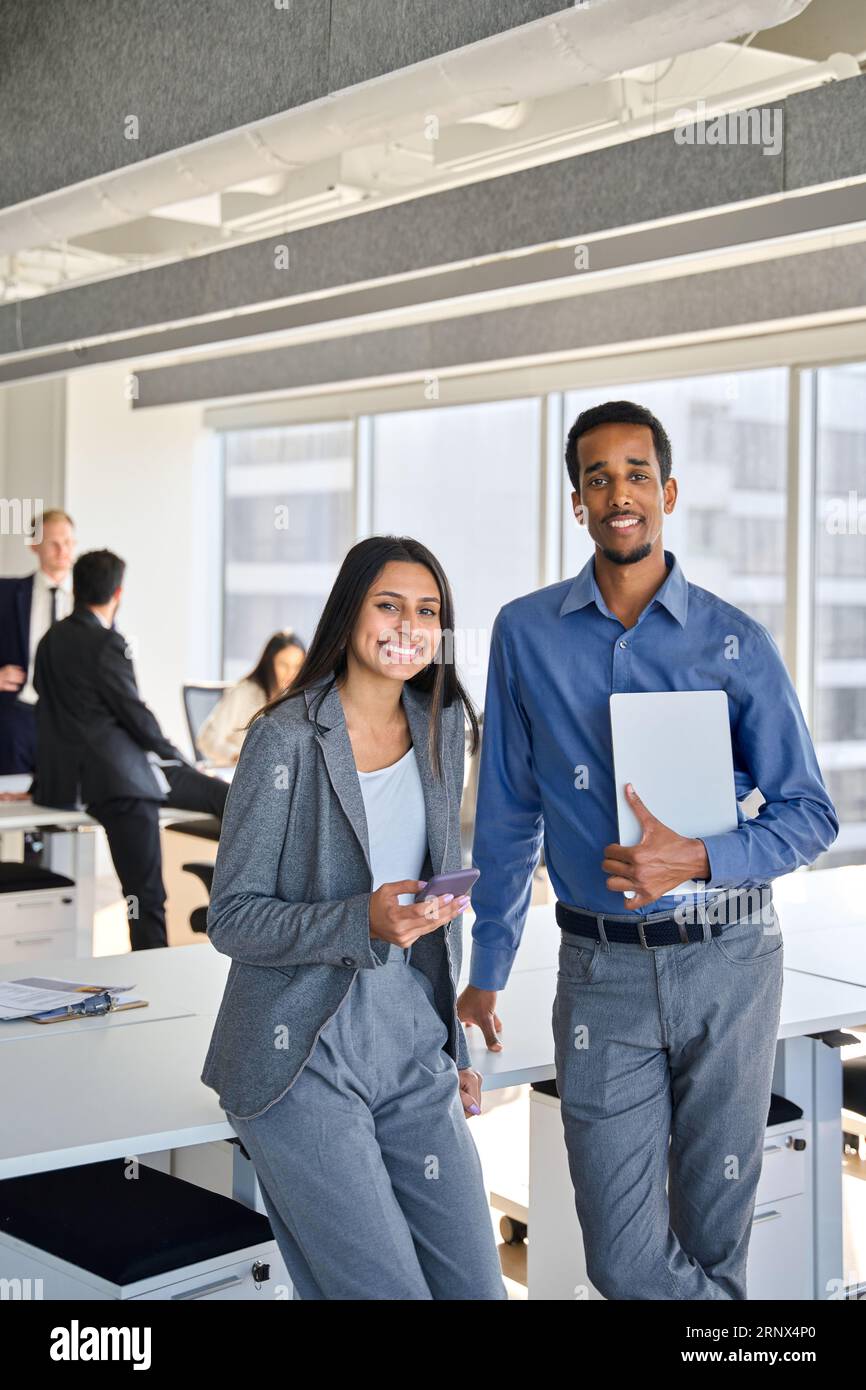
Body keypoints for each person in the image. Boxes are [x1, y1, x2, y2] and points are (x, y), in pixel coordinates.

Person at [459, 399, 838, 1302]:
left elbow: (809, 813)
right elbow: (511, 815)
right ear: (579, 502)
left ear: (666, 492)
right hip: (602, 972)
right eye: (598, 477)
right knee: (624, 1260)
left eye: (636, 474)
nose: (618, 492)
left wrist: (697, 858)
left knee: (715, 1243)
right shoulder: (525, 633)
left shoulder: (735, 641)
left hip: (732, 962)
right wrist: (487, 965)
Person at [201, 535, 507, 1301]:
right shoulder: (287, 736)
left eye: (428, 610)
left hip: (411, 1046)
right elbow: (231, 917)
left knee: (478, 1290)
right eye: (389, 605)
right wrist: (358, 920)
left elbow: (443, 912)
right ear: (350, 613)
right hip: (301, 1049)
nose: (409, 625)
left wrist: (453, 1042)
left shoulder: (441, 729)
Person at [32, 549, 229, 950]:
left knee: (143, 895)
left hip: (74, 780)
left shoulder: (50, 639)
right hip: (119, 780)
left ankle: (233, 885)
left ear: (76, 588)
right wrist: (181, 757)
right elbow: (135, 715)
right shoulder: (107, 642)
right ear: (118, 592)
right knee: (146, 897)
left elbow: (45, 700)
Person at [0, 508, 75, 774]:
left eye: (67, 542)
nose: (61, 550)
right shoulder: (7, 594)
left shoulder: (89, 598)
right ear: (34, 545)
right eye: (53, 543)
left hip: (72, 719)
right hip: (18, 716)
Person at [196, 629, 306, 764]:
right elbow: (207, 739)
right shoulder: (243, 692)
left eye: (297, 666)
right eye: (283, 664)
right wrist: (237, 756)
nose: (291, 672)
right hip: (240, 772)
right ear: (269, 663)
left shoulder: (296, 700)